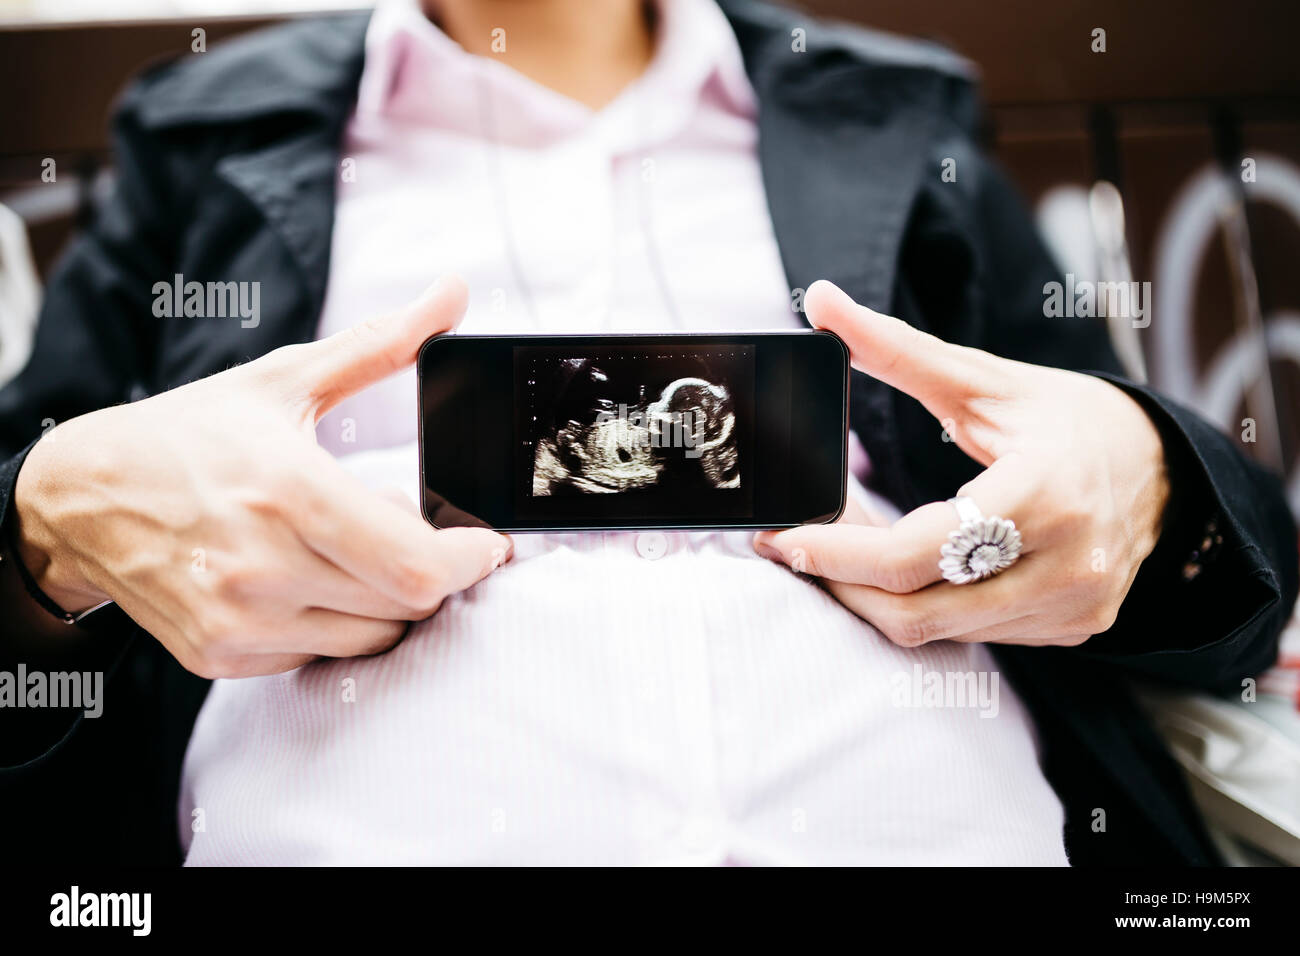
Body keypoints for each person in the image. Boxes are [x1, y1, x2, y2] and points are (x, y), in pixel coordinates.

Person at [1, 0, 1295, 865]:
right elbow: (34, 511)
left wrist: (1147, 479)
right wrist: (50, 523)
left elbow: (1202, 535)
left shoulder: (892, 110)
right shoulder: (201, 129)